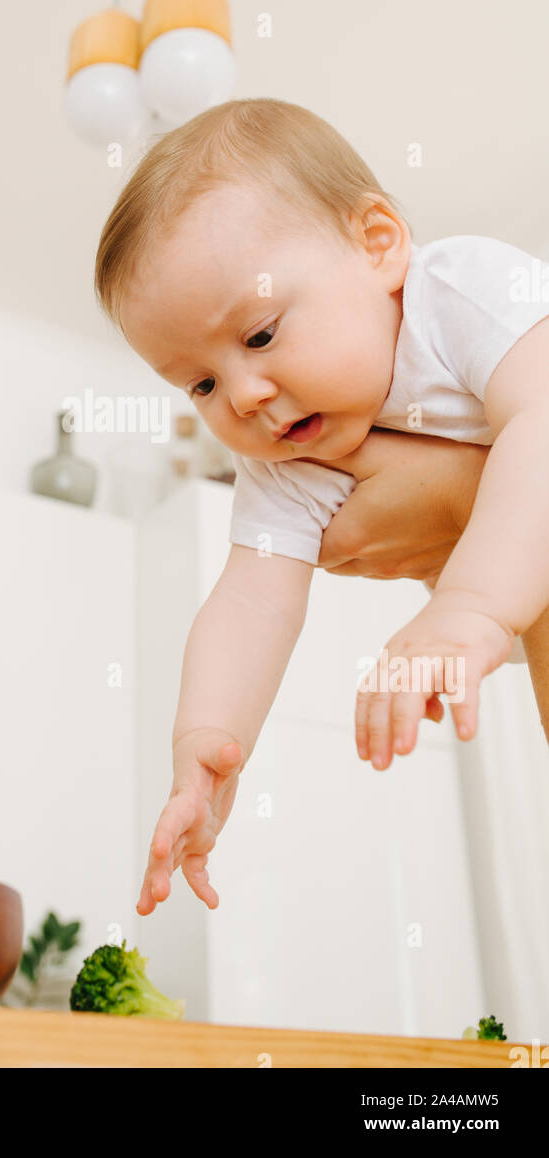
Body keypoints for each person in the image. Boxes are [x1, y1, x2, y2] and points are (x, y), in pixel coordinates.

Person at [93, 97, 549, 917]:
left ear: (377, 244)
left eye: (260, 335)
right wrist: (204, 743)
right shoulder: (290, 458)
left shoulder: (460, 293)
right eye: (200, 382)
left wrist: (468, 609)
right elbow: (250, 602)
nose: (243, 396)